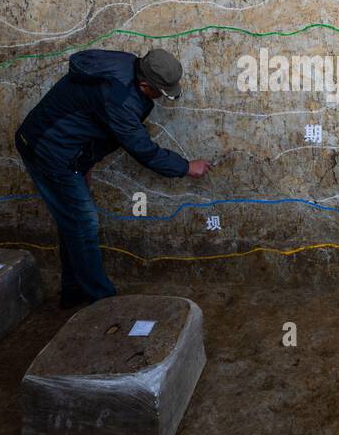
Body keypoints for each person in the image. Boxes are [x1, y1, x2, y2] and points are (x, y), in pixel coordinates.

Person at [15, 48, 212, 309]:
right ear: (144, 84)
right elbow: (141, 148)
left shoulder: (125, 65)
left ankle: (74, 293)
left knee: (73, 222)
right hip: (49, 152)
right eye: (160, 91)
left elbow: (89, 120)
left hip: (59, 147)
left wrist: (83, 164)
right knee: (84, 222)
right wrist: (185, 166)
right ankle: (103, 303)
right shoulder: (120, 99)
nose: (161, 98)